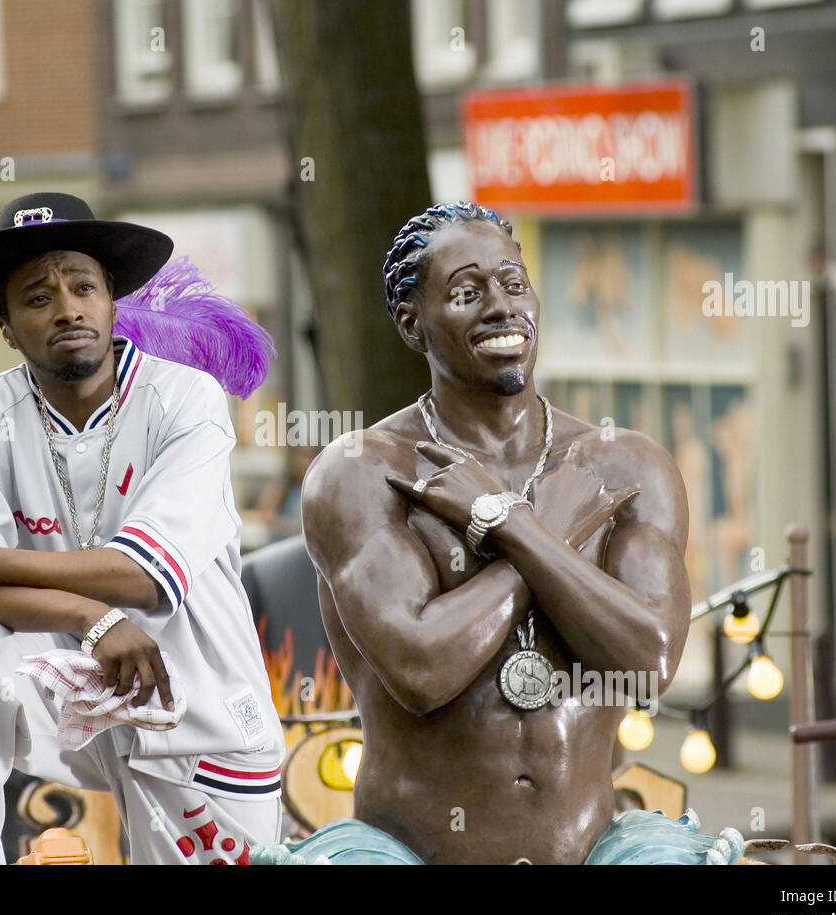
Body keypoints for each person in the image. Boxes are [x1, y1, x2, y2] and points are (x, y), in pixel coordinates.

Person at [263, 202, 742, 865]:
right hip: (408, 851)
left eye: (514, 283)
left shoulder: (625, 466)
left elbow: (649, 663)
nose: (500, 307)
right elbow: (423, 668)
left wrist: (514, 525)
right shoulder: (363, 473)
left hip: (593, 849)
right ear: (412, 324)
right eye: (466, 292)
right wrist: (545, 532)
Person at [0, 193, 284, 864]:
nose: (68, 307)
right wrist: (89, 617)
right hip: (65, 691)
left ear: (111, 303)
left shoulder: (185, 399)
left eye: (82, 287)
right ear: (8, 327)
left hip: (198, 710)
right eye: (38, 298)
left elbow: (141, 578)